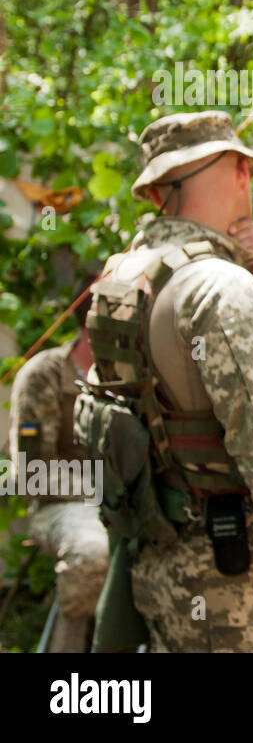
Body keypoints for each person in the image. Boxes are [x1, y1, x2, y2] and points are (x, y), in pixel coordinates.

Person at [78, 110, 253, 651]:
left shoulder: (122, 278)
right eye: (246, 168)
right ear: (237, 171)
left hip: (161, 568)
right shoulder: (221, 289)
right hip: (245, 589)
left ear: (158, 193)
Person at [7, 273, 108, 652]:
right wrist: (104, 486)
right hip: (62, 506)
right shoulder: (45, 375)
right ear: (91, 317)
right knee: (92, 552)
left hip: (122, 500)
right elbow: (32, 475)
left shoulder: (132, 376)